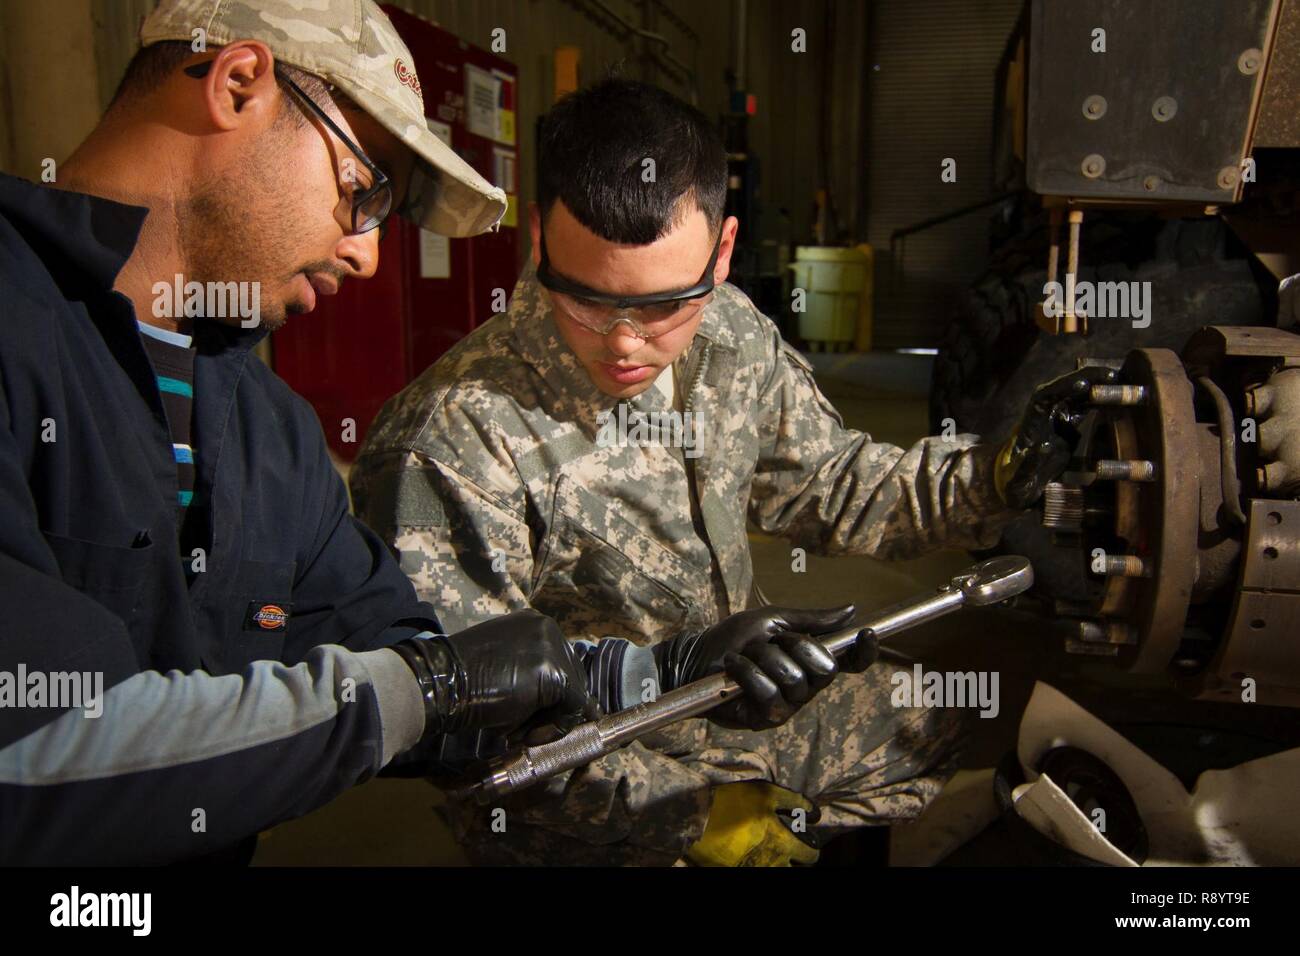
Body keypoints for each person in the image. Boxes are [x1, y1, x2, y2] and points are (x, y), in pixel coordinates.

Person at [0, 2, 853, 866]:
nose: (368, 253)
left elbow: (414, 651)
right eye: (363, 187)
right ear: (239, 84)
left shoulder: (267, 430)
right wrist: (419, 692)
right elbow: (33, 753)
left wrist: (661, 672)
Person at [351, 77, 1112, 866]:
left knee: (928, 718)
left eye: (662, 307)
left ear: (721, 253)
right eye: (584, 301)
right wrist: (699, 820)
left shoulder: (732, 334)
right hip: (582, 765)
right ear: (540, 240)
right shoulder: (450, 442)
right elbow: (472, 734)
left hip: (729, 701)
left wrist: (998, 475)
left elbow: (834, 483)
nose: (622, 342)